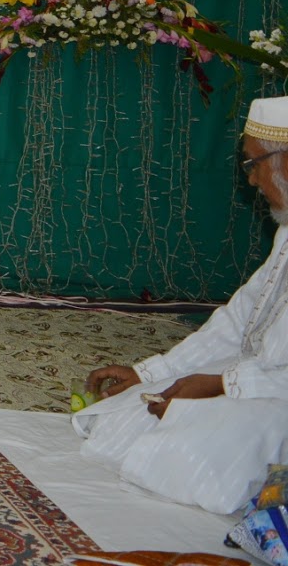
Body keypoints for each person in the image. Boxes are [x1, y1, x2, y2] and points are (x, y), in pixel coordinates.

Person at [72, 94, 288, 514]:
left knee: (203, 433)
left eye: (253, 164)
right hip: (260, 383)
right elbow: (237, 322)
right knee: (141, 407)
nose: (251, 180)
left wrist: (218, 387)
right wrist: (151, 371)